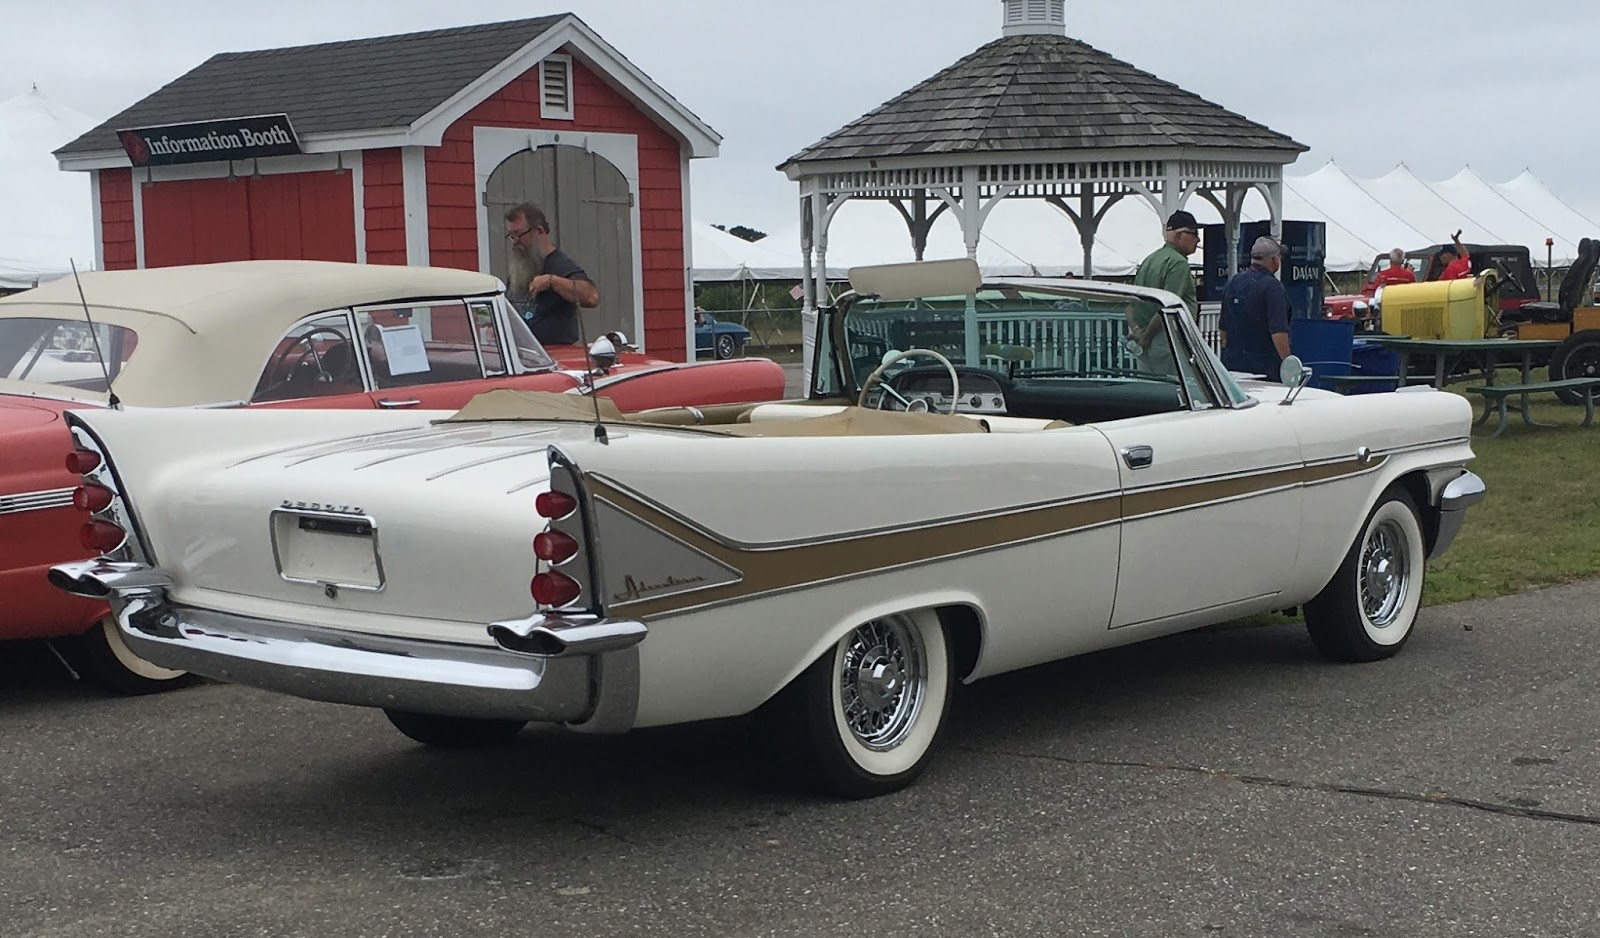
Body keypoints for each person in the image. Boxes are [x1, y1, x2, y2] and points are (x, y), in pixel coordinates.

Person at [503, 202, 600, 345]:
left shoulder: (560, 264)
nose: (515, 241)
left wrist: (553, 281)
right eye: (511, 235)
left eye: (518, 234)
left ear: (539, 231)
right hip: (523, 355)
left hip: (556, 357)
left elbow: (592, 297)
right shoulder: (521, 266)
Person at [1129, 210, 1201, 373]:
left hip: (1144, 340)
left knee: (1150, 390)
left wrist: (1138, 332)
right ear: (1179, 235)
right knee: (1174, 390)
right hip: (1167, 339)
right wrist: (1147, 336)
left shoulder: (1149, 260)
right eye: (1194, 233)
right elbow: (1167, 307)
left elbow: (1130, 306)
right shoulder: (1178, 263)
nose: (1198, 239)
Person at [1219, 236, 1292, 381]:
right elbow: (1278, 332)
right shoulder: (1273, 287)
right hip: (1265, 367)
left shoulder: (1232, 282)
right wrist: (1288, 364)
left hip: (1233, 365)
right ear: (1274, 260)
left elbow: (1223, 331)